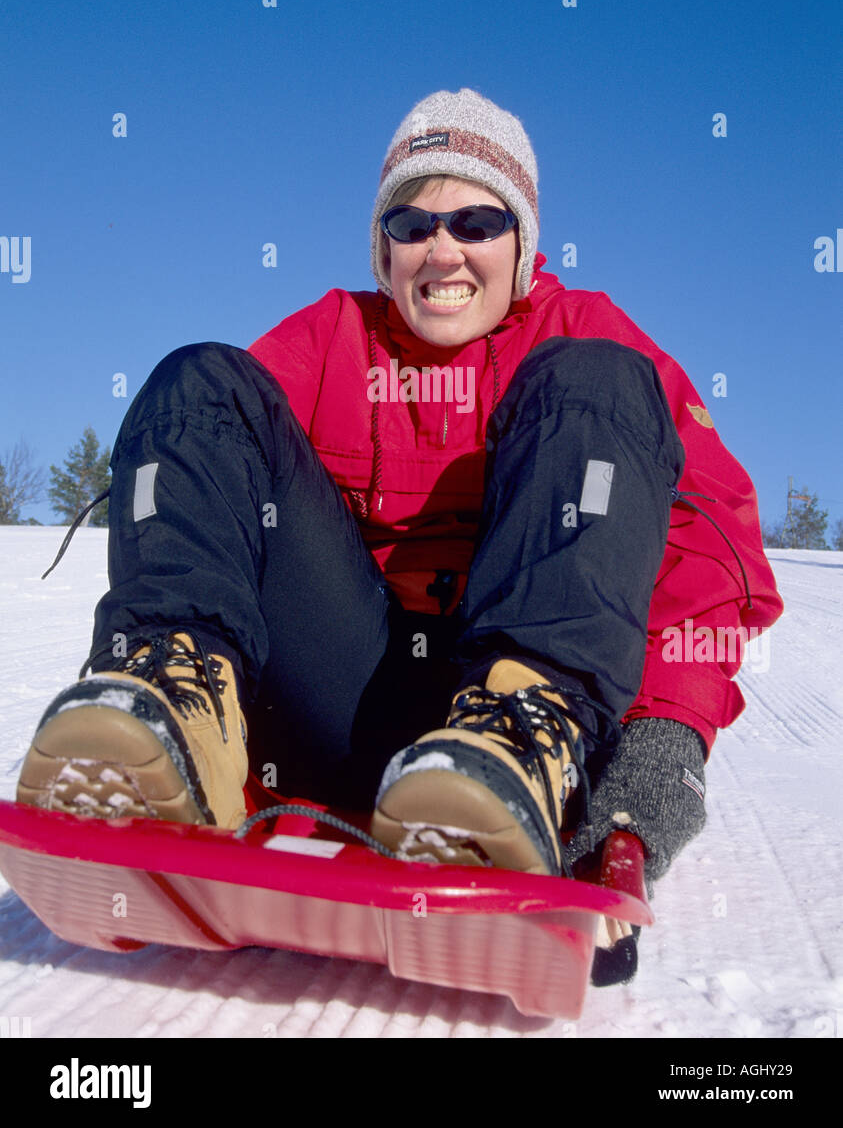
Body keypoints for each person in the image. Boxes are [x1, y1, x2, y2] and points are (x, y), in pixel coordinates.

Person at [17, 88, 783, 977]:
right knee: (199, 385)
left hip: (514, 718)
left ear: (522, 243)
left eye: (476, 220)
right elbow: (211, 479)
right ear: (382, 249)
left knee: (597, 383)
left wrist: (662, 744)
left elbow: (707, 549)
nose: (443, 249)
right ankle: (178, 721)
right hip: (349, 701)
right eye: (412, 223)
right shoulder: (329, 340)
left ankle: (515, 750)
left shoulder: (588, 344)